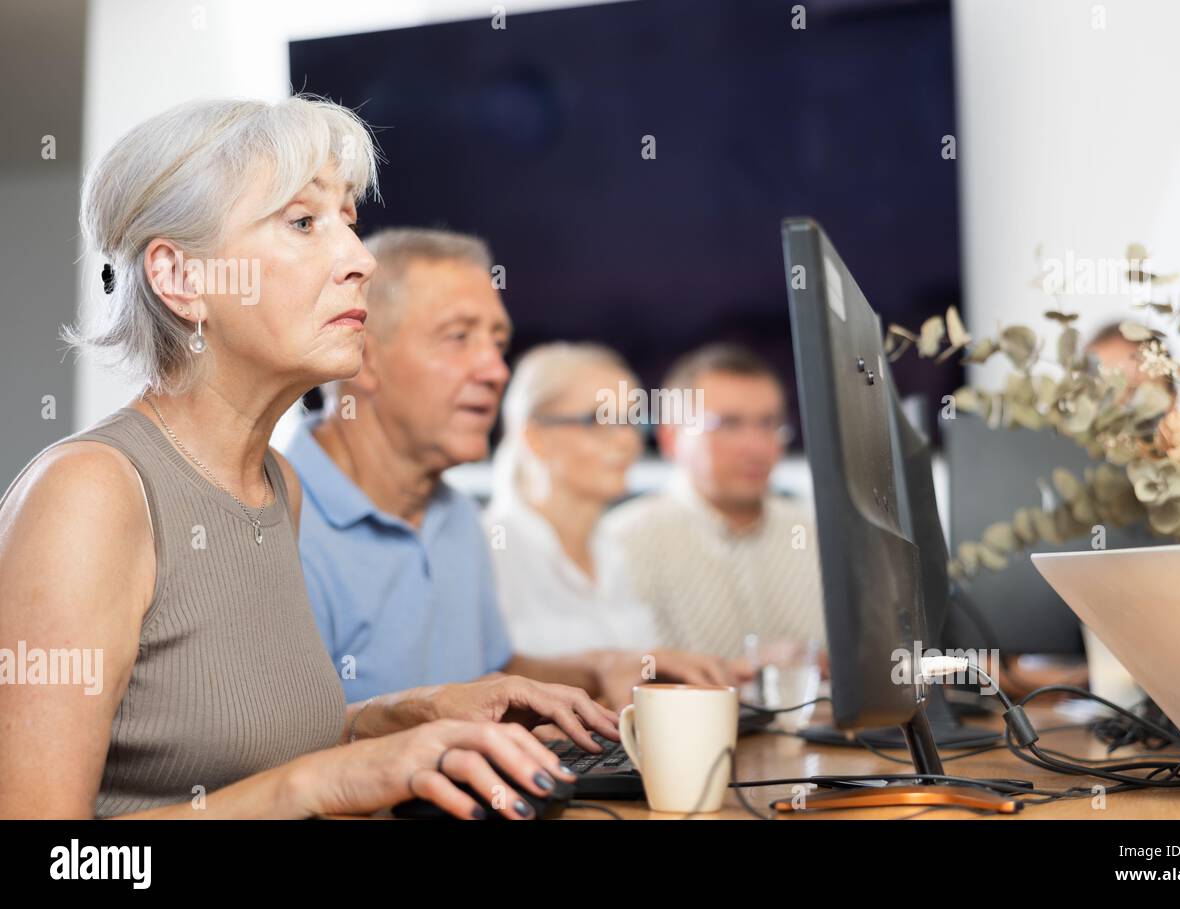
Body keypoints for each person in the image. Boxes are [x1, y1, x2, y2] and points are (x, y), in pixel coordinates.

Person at [0, 97, 617, 820]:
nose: (359, 261)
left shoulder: (276, 486)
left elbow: (258, 751)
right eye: (303, 223)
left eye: (349, 224)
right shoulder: (89, 495)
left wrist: (414, 711)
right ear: (181, 278)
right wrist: (311, 787)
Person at [286, 229, 734, 709]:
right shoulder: (278, 523)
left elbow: (487, 677)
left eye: (497, 341)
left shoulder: (456, 517)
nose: (496, 370)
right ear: (364, 357)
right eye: (458, 337)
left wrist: (601, 667)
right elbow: (271, 753)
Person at [483, 342, 740, 703]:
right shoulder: (487, 550)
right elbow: (473, 686)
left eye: (633, 420)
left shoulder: (616, 548)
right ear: (535, 438)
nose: (627, 441)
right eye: (599, 420)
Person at [604, 343, 826, 660]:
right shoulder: (621, 543)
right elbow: (625, 685)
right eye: (728, 424)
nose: (756, 446)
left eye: (768, 424)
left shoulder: (819, 537)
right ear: (671, 437)